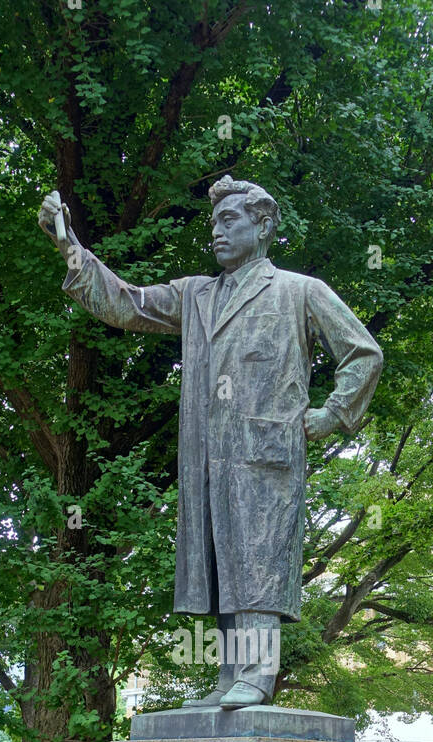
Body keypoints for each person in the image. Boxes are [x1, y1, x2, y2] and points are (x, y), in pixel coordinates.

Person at [38, 175, 383, 708]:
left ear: (263, 225)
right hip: (208, 453)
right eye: (213, 225)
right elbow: (128, 304)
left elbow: (363, 353)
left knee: (257, 558)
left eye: (230, 221)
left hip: (266, 453)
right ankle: (231, 677)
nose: (217, 234)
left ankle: (258, 675)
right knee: (221, 561)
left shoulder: (300, 291)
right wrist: (71, 249)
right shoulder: (196, 295)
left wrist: (331, 414)